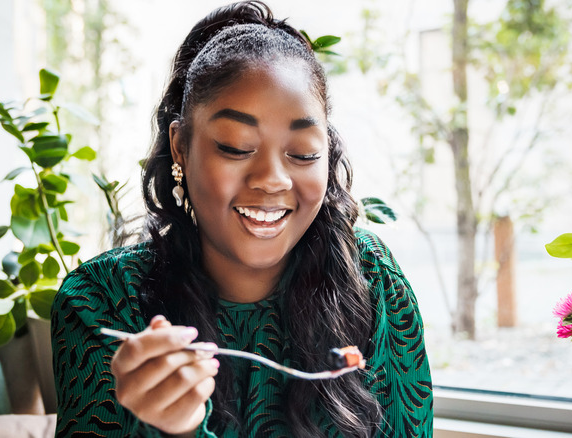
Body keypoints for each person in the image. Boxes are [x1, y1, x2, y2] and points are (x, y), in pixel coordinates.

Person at [51, 1, 433, 437]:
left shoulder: (371, 278)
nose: (272, 180)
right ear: (180, 147)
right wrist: (178, 429)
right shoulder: (100, 302)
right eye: (235, 147)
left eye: (304, 153)